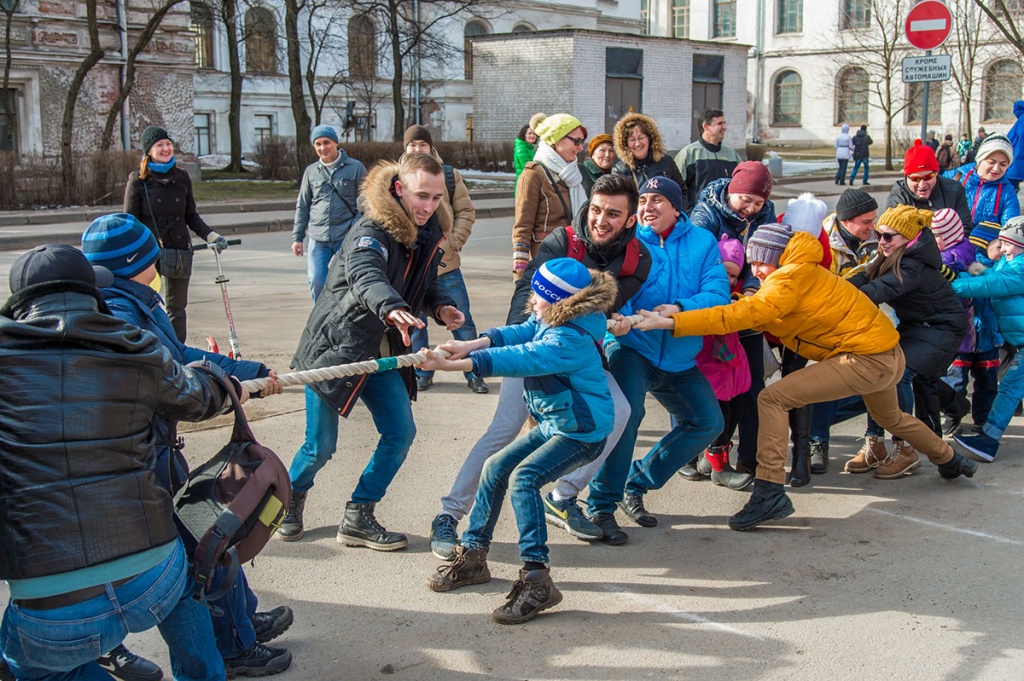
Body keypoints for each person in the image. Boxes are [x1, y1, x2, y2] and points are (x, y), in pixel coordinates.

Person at [635, 223, 979, 531]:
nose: (756, 271)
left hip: (866, 359)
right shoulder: (802, 269)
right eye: (752, 263)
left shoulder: (787, 278)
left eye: (762, 263)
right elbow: (760, 309)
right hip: (888, 353)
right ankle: (949, 460)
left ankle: (769, 491)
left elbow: (743, 315)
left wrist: (674, 320)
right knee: (893, 418)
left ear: (779, 258)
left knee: (772, 397)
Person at [0, 243, 241, 681]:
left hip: (54, 610)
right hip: (154, 580)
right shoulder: (135, 349)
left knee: (34, 667)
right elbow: (201, 397)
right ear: (91, 293)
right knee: (186, 587)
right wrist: (222, 381)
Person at [81, 213, 295, 679]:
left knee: (212, 539)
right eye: (153, 257)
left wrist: (250, 370)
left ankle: (241, 625)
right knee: (203, 551)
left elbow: (181, 355)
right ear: (140, 262)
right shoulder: (118, 314)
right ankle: (234, 649)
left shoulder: (140, 301)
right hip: (144, 461)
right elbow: (173, 379)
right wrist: (229, 387)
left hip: (159, 451)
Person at [428, 174, 652, 557]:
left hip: (573, 353)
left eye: (613, 214)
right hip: (532, 346)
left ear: (631, 219)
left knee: (621, 412)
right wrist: (480, 347)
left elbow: (601, 314)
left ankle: (562, 497)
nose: (600, 219)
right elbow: (530, 304)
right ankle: (449, 514)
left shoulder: (638, 258)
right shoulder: (560, 241)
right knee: (502, 433)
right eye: (596, 209)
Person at [278, 154, 464, 548]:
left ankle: (359, 513)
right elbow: (366, 274)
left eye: (436, 198)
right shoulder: (371, 229)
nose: (429, 207)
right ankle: (289, 498)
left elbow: (425, 284)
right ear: (399, 189)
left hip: (382, 353)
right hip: (336, 349)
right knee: (320, 448)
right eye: (421, 196)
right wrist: (391, 306)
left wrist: (440, 306)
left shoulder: (428, 232)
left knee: (400, 432)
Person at [423, 258, 616, 625]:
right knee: (496, 467)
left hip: (582, 432)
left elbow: (521, 357)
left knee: (523, 479)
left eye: (541, 297)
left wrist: (456, 365)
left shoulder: (570, 338)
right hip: (557, 422)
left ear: (562, 302)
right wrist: (472, 344)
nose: (534, 301)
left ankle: (537, 580)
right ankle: (475, 557)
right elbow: (523, 331)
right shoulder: (551, 316)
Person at [585, 176, 729, 530]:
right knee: (627, 415)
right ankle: (602, 503)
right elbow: (612, 290)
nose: (648, 207)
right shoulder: (629, 241)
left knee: (708, 422)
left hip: (680, 354)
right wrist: (623, 318)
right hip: (633, 346)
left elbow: (718, 297)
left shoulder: (703, 242)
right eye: (644, 200)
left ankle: (637, 483)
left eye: (657, 200)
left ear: (677, 207)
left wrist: (676, 310)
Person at [811, 206, 968, 477]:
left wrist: (837, 302)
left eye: (888, 236)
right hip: (915, 327)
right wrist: (831, 288)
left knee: (898, 375)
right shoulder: (889, 255)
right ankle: (875, 443)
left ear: (908, 238)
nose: (880, 241)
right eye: (879, 235)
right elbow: (864, 277)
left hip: (942, 328)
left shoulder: (912, 265)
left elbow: (879, 289)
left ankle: (904, 448)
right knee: (886, 371)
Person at [688, 161, 777, 475]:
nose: (751, 209)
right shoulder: (705, 214)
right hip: (712, 306)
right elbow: (696, 258)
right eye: (745, 200)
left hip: (746, 306)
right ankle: (694, 452)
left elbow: (763, 256)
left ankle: (748, 459)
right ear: (731, 192)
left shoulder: (764, 215)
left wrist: (751, 287)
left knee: (751, 385)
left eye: (759, 203)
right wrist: (720, 289)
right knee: (703, 382)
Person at [401, 125, 487, 395]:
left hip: (445, 265)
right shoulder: (397, 176)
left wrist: (451, 244)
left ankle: (474, 370)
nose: (417, 149)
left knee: (461, 319)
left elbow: (466, 212)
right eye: (412, 145)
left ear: (430, 147)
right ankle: (421, 371)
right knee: (414, 323)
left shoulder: (448, 175)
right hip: (410, 265)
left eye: (422, 145)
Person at [123, 125, 227, 341]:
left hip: (179, 251)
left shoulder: (182, 177)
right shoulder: (138, 180)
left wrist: (211, 235)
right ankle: (148, 349)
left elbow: (191, 215)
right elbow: (130, 222)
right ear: (149, 151)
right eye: (159, 145)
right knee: (146, 305)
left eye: (168, 144)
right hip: (148, 255)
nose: (165, 148)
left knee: (176, 309)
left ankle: (177, 354)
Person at [952, 216, 1024, 461]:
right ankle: (989, 438)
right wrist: (964, 275)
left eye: (1008, 244)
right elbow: (988, 276)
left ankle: (989, 440)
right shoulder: (1009, 263)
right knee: (1011, 389)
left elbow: (989, 285)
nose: (1002, 249)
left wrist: (950, 283)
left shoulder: (1020, 270)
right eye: (1001, 243)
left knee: (1010, 390)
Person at [693, 234, 753, 490]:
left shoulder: (738, 296)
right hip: (710, 360)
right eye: (724, 273)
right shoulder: (703, 293)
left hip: (732, 361)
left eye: (733, 276)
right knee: (720, 413)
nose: (728, 280)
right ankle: (719, 466)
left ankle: (713, 457)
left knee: (736, 409)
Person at [291, 124, 367, 301]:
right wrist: (297, 238)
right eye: (318, 144)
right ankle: (322, 316)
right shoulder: (311, 172)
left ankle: (347, 316)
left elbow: (366, 202)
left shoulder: (355, 168)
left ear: (336, 143)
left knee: (347, 278)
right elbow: (303, 205)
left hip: (345, 236)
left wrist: (354, 229)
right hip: (319, 237)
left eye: (326, 142)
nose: (322, 148)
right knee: (317, 280)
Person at [512, 113, 588, 280]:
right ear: (556, 140)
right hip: (546, 265)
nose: (580, 148)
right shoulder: (533, 174)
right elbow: (522, 227)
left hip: (573, 260)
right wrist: (521, 274)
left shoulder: (574, 174)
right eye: (576, 141)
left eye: (582, 142)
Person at [887, 140, 973, 230]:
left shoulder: (954, 189)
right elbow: (894, 233)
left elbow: (965, 228)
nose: (922, 185)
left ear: (936, 173)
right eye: (915, 179)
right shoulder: (899, 194)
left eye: (928, 177)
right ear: (906, 177)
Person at [943, 133, 1020, 229]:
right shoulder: (953, 177)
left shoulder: (1007, 191)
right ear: (980, 159)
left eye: (1003, 164)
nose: (996, 169)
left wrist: (999, 241)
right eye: (991, 162)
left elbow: (1011, 229)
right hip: (949, 241)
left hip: (984, 243)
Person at [674, 108, 741, 212]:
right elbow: (676, 190)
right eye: (720, 123)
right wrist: (689, 215)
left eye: (724, 123)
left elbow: (742, 186)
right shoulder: (689, 154)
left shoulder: (732, 155)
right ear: (705, 126)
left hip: (726, 220)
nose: (725, 127)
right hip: (697, 220)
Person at [611, 112, 684, 194]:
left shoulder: (666, 161)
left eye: (641, 138)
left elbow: (682, 191)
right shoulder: (620, 170)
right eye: (632, 140)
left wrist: (677, 207)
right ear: (625, 143)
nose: (637, 144)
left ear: (651, 138)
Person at [823, 187, 878, 277]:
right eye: (866, 222)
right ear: (844, 221)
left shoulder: (880, 237)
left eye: (873, 220)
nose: (872, 227)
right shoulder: (825, 248)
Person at [513, 112, 545, 185]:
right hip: (525, 184)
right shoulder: (521, 148)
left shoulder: (529, 148)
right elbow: (528, 166)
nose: (532, 136)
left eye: (534, 134)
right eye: (529, 133)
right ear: (524, 135)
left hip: (529, 182)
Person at [1006, 100, 1024, 191]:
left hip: (1016, 158)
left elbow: (1010, 139)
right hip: (1017, 158)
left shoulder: (1021, 119)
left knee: (1010, 188)